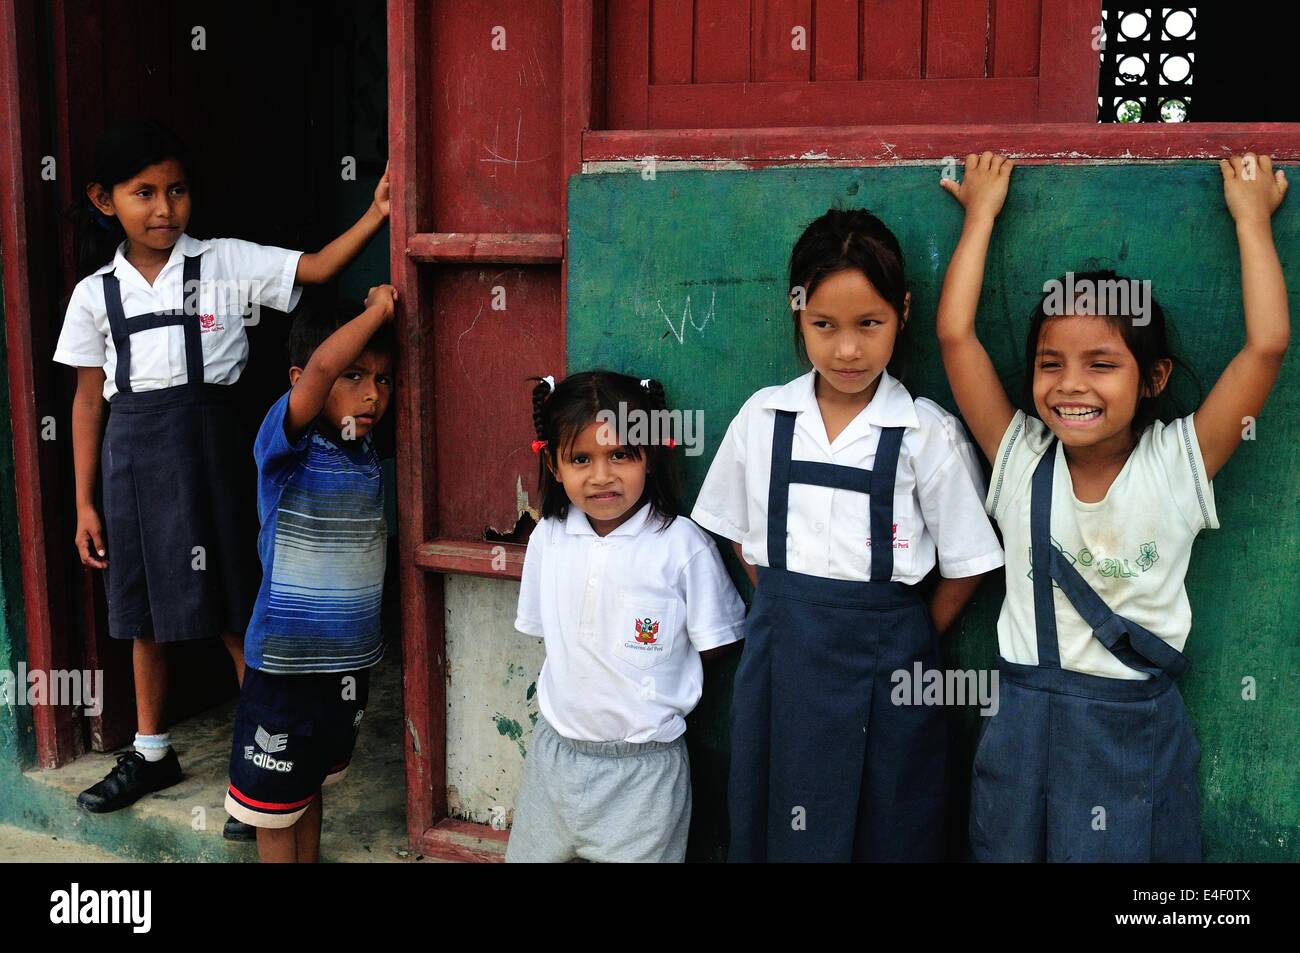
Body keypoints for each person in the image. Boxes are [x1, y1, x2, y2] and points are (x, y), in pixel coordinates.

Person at [935, 152, 1289, 860]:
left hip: (1134, 735)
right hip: (1024, 729)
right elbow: (955, 336)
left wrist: (1252, 219)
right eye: (1050, 363)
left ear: (1153, 375)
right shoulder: (1019, 457)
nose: (1073, 386)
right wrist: (980, 217)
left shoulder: (1176, 466)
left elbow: (1267, 344)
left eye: (1102, 363)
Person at [692, 208, 1004, 861]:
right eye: (824, 326)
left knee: (890, 822)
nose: (848, 349)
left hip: (893, 667)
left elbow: (970, 560)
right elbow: (735, 535)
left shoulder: (925, 431)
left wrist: (905, 630)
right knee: (775, 815)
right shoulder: (764, 417)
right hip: (781, 661)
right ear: (798, 313)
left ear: (903, 311)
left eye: (870, 324)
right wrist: (788, 609)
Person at [508, 371, 746, 862]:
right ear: (553, 464)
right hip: (554, 759)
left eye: (620, 454)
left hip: (645, 773)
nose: (602, 475)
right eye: (581, 459)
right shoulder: (548, 539)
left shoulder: (681, 546)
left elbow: (719, 642)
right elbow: (546, 633)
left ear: (650, 454)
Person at [224, 286, 396, 862]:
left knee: (311, 782)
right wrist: (374, 311)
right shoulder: (287, 444)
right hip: (284, 667)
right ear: (304, 380)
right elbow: (323, 364)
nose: (372, 395)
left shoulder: (364, 450)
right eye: (355, 376)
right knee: (275, 805)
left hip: (346, 665)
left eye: (382, 379)